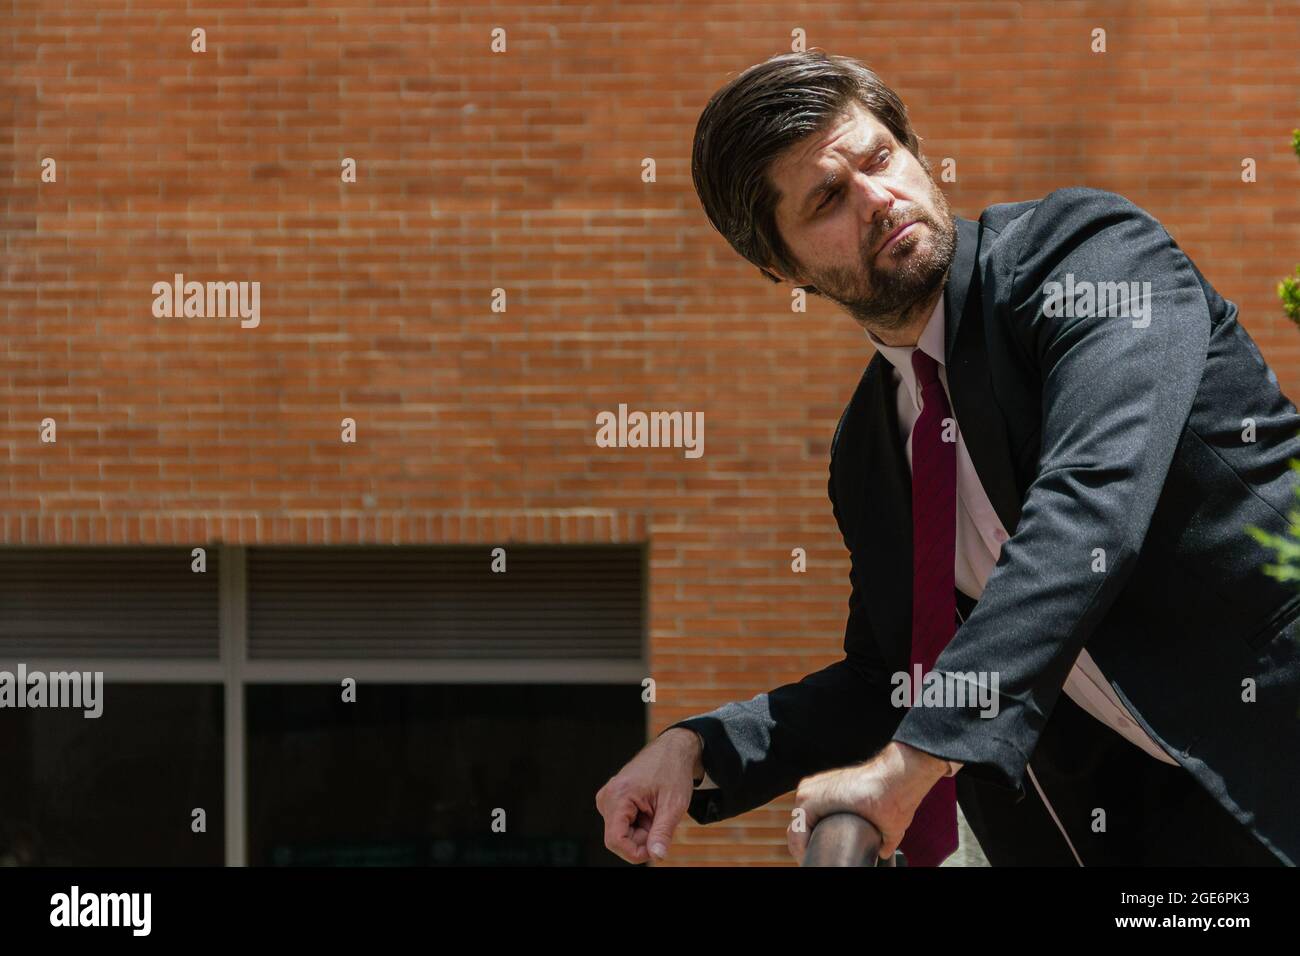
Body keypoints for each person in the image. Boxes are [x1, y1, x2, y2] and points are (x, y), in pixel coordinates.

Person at [595, 50, 1300, 867]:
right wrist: (699, 746)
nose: (877, 200)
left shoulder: (1089, 259)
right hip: (1177, 840)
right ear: (779, 268)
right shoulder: (869, 448)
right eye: (828, 198)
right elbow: (890, 678)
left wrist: (908, 768)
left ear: (915, 150)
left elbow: (1088, 510)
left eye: (878, 158)